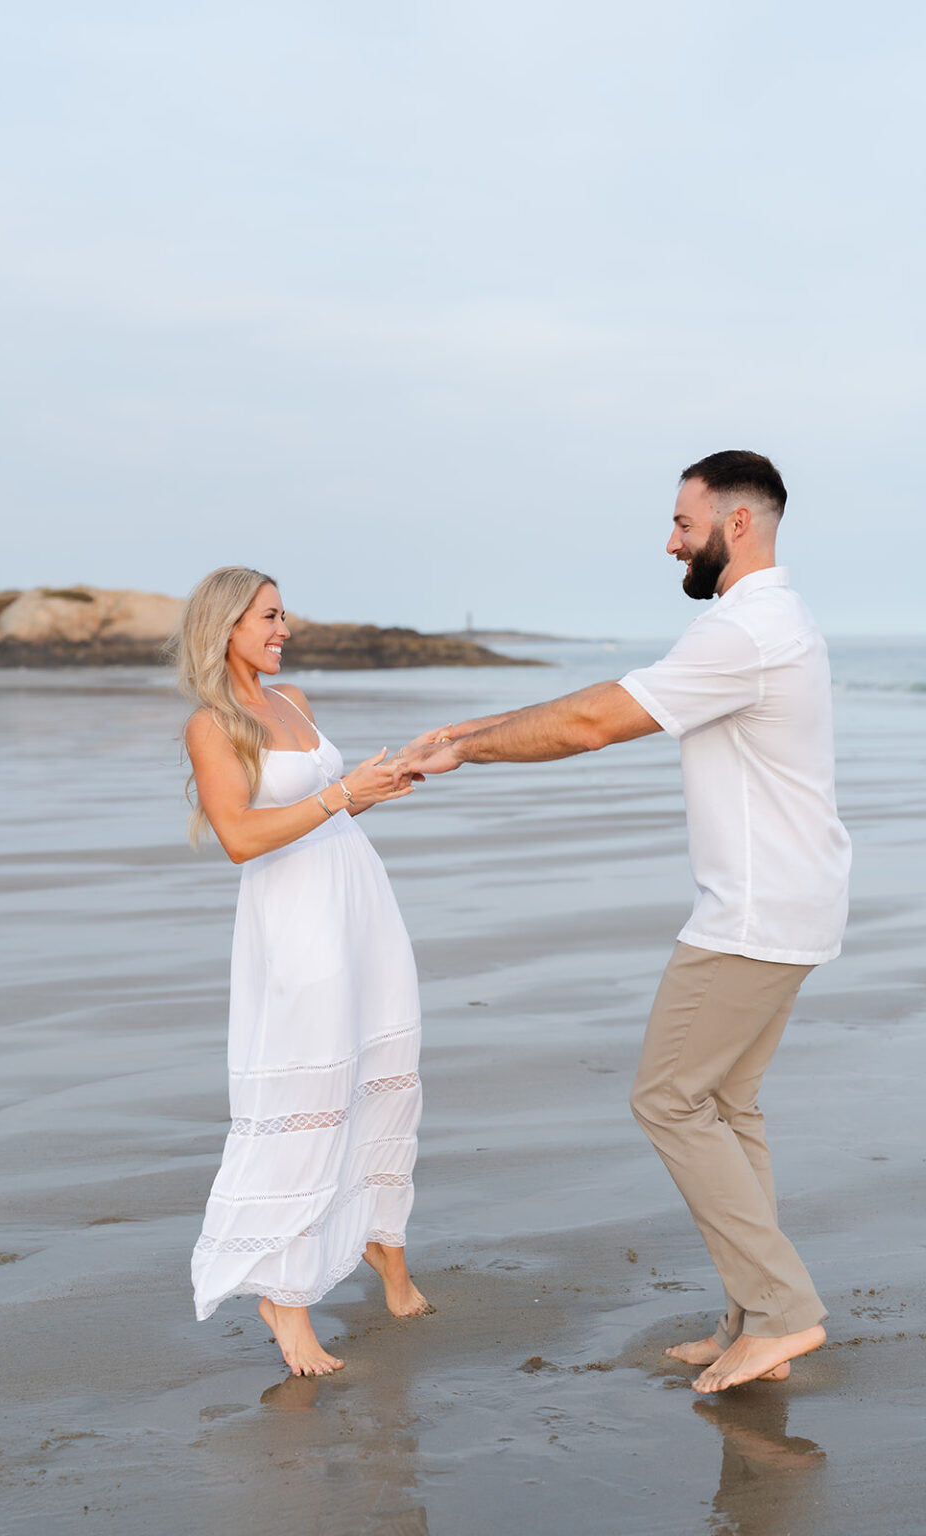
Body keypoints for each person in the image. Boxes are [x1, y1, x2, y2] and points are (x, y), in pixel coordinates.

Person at [402, 450, 851, 1393]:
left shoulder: (745, 633)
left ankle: (782, 1312)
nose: (670, 541)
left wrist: (462, 745)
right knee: (727, 1106)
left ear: (735, 525)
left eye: (682, 524)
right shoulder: (774, 619)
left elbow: (592, 722)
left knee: (667, 1098)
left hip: (752, 913)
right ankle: (751, 1317)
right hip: (794, 899)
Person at [172, 566, 431, 1378]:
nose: (285, 630)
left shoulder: (296, 703)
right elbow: (243, 838)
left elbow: (329, 807)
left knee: (387, 1070)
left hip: (362, 903)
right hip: (298, 922)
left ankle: (387, 1252)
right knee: (311, 1092)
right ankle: (283, 1298)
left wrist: (382, 784)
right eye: (271, 617)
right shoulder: (212, 725)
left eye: (285, 617)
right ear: (227, 628)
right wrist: (340, 793)